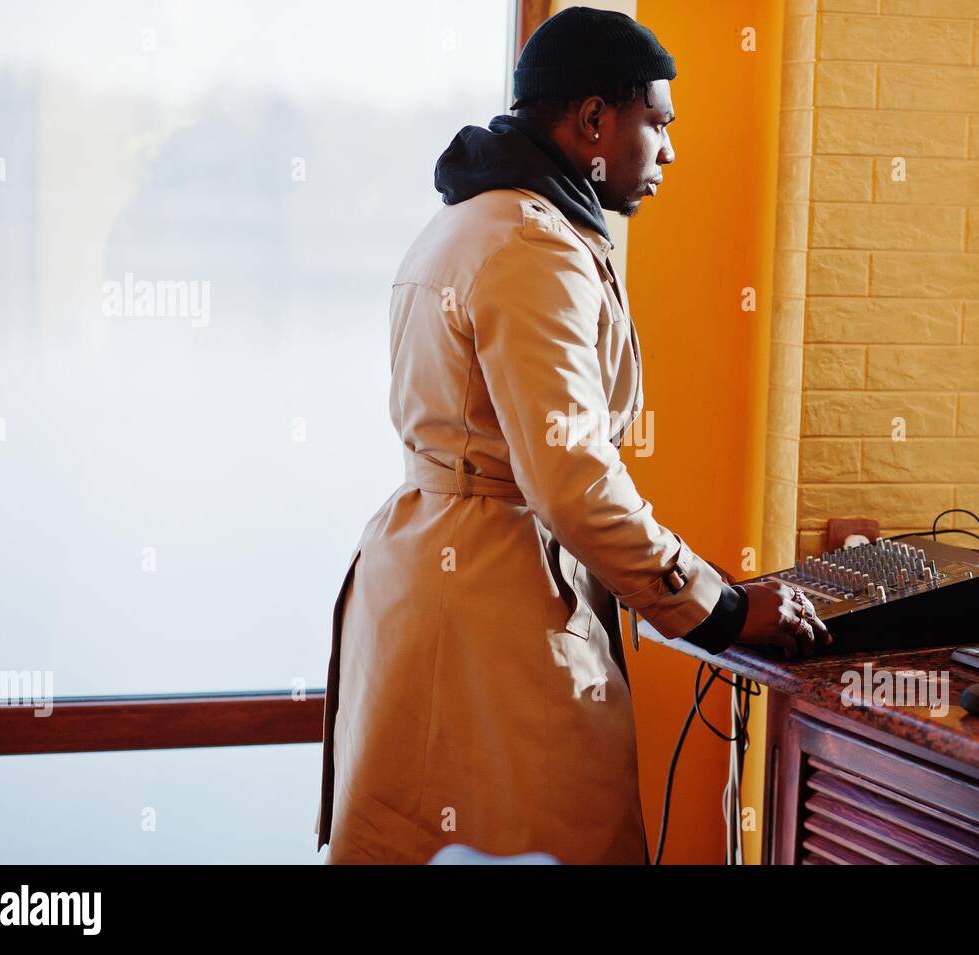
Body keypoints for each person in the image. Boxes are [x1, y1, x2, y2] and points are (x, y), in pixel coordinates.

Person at [315, 5, 826, 865]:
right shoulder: (534, 247)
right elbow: (575, 483)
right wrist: (725, 608)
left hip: (429, 577)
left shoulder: (471, 220)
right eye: (656, 123)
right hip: (493, 611)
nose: (669, 151)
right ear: (593, 119)